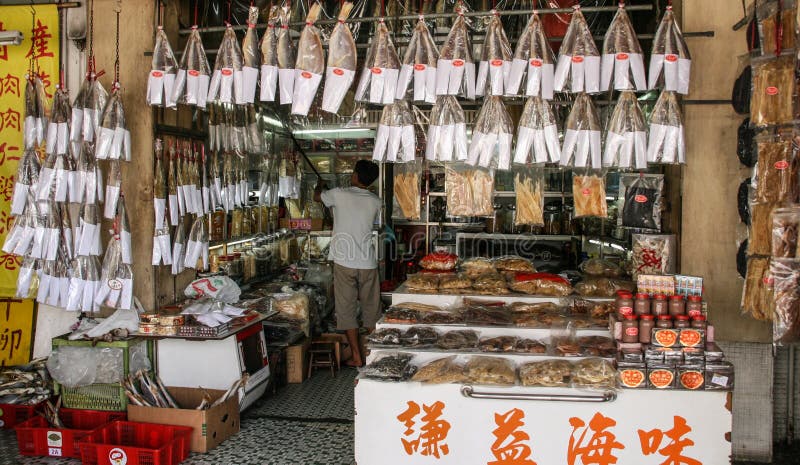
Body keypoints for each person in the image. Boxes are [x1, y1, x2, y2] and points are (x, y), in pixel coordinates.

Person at [314, 160, 381, 367]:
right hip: (368, 263)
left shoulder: (338, 194)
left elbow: (317, 198)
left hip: (344, 262)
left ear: (354, 175)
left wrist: (319, 184)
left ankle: (357, 356)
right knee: (372, 310)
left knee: (347, 310)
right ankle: (376, 356)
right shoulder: (376, 201)